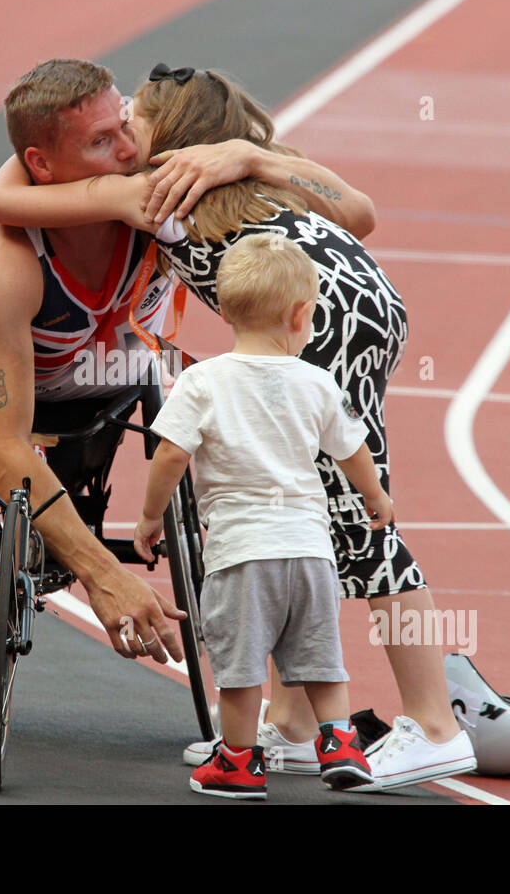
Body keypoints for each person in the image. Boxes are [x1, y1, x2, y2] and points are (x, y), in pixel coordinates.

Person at [0, 64, 476, 790]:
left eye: (133, 122)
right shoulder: (263, 182)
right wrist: (253, 156)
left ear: (171, 137)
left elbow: (5, 200)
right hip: (361, 301)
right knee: (302, 509)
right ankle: (298, 725)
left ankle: (435, 726)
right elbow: (359, 213)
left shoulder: (153, 191)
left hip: (322, 319)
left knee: (354, 522)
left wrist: (36, 142)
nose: (123, 135)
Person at [0, 58, 372, 664]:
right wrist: (106, 575)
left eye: (125, 123)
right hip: (33, 374)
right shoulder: (0, 258)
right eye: (101, 142)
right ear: (40, 166)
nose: (129, 150)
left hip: (124, 370)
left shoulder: (164, 189)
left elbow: (357, 217)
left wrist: (256, 158)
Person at [135, 233, 392, 799]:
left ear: (224, 310)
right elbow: (352, 447)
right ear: (303, 315)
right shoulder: (318, 381)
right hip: (310, 551)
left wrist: (150, 517)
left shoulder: (203, 380)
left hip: (242, 552)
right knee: (320, 656)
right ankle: (341, 742)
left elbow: (172, 452)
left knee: (242, 665)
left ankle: (238, 762)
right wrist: (375, 496)